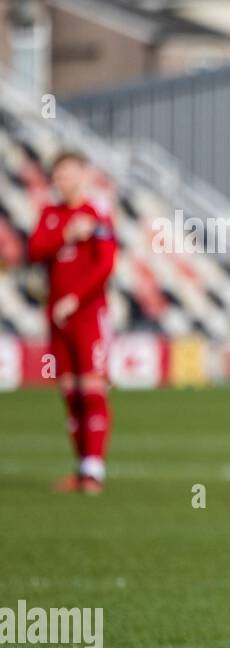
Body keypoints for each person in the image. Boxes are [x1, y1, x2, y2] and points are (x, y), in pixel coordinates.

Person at [27, 151, 116, 495]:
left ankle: (94, 472)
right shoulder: (52, 214)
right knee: (71, 394)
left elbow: (105, 264)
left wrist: (75, 299)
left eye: (68, 174)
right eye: (58, 175)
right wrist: (67, 234)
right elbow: (34, 250)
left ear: (83, 175)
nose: (61, 180)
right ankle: (81, 470)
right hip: (57, 318)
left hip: (89, 315)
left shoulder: (98, 213)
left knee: (93, 391)